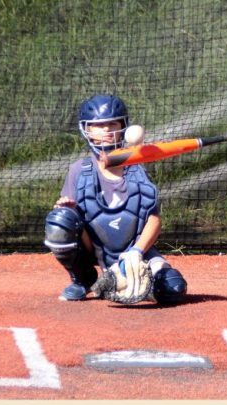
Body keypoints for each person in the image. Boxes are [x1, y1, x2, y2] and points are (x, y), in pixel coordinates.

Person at [45, 94, 187, 306]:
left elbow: (154, 220)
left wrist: (137, 252)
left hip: (137, 251)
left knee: (173, 288)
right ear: (87, 130)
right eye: (98, 125)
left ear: (124, 126)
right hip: (95, 248)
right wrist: (67, 207)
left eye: (112, 124)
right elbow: (67, 215)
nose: (106, 130)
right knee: (60, 219)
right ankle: (83, 279)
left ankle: (128, 280)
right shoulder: (79, 170)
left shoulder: (137, 169)